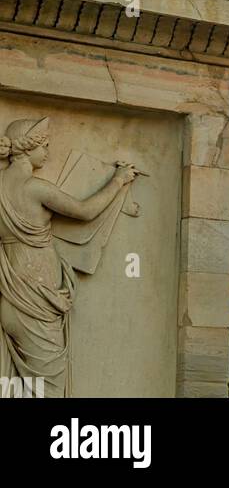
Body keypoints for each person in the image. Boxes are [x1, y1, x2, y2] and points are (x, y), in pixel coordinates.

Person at [0, 117, 136, 397]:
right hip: (36, 304)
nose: (48, 151)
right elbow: (85, 211)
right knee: (48, 392)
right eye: (45, 145)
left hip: (12, 297)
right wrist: (118, 181)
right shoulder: (35, 188)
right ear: (29, 148)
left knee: (20, 390)